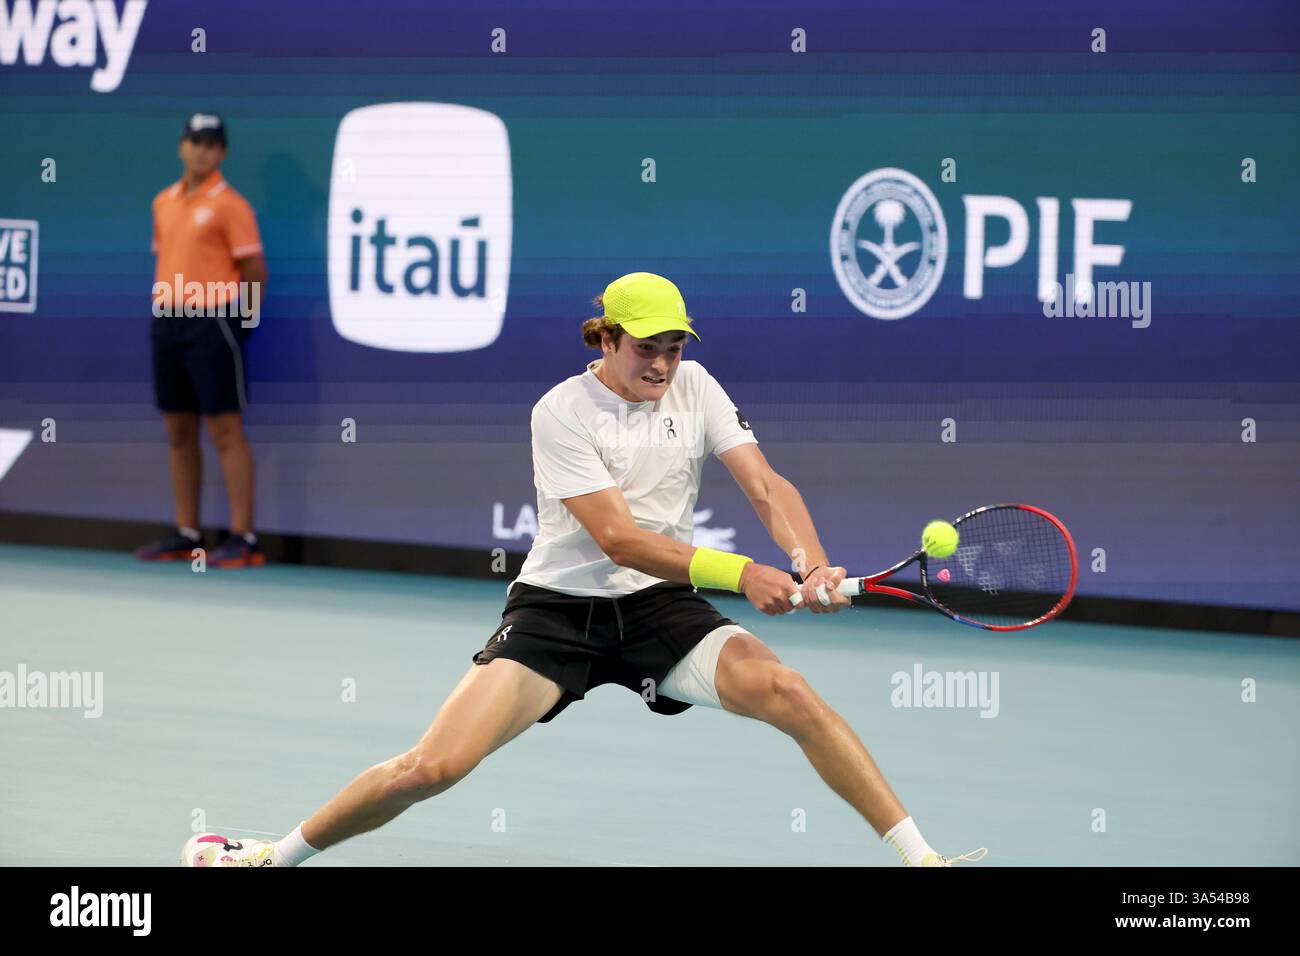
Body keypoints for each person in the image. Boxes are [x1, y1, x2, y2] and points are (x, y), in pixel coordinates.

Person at [181, 272, 985, 867]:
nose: (664, 365)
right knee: (433, 766)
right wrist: (742, 574)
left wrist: (807, 562)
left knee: (791, 693)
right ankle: (266, 858)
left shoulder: (697, 387)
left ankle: (923, 859)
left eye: (674, 348)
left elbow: (767, 485)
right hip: (558, 613)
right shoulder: (561, 412)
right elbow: (621, 540)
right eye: (647, 348)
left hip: (662, 611)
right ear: (605, 339)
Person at [135, 113, 267, 568]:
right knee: (178, 429)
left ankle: (243, 537)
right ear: (182, 146)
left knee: (225, 428)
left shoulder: (231, 204)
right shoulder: (163, 202)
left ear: (222, 153)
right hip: (168, 319)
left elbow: (254, 271)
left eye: (212, 144)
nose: (202, 150)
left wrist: (240, 323)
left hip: (214, 321)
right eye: (196, 141)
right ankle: (187, 533)